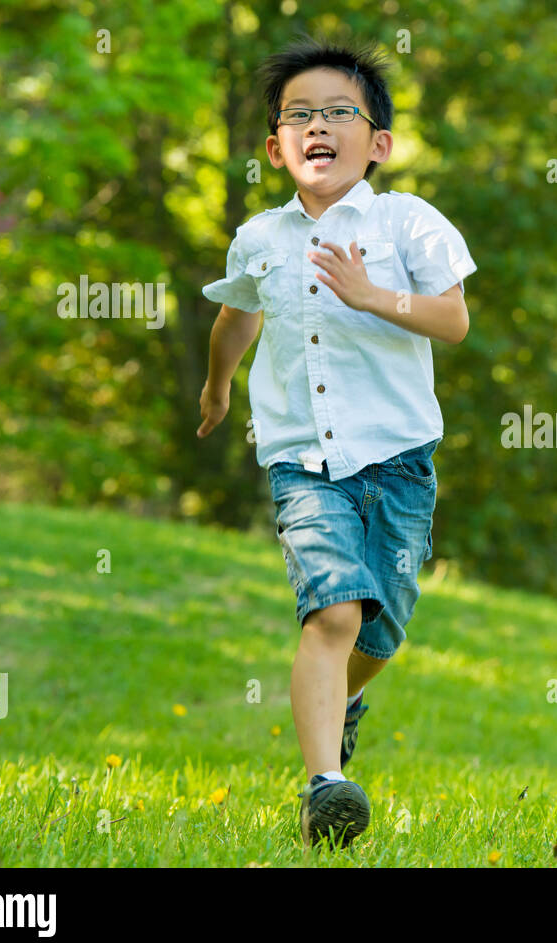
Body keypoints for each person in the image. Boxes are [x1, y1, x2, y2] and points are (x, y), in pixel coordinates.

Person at [197, 34, 476, 849]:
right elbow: (235, 317)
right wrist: (218, 385)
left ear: (377, 142)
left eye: (336, 112)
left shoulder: (408, 223)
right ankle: (326, 784)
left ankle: (343, 703)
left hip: (398, 463)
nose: (316, 124)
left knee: (380, 630)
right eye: (297, 115)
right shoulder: (259, 238)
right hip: (303, 462)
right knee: (332, 612)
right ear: (277, 147)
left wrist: (370, 294)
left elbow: (453, 321)